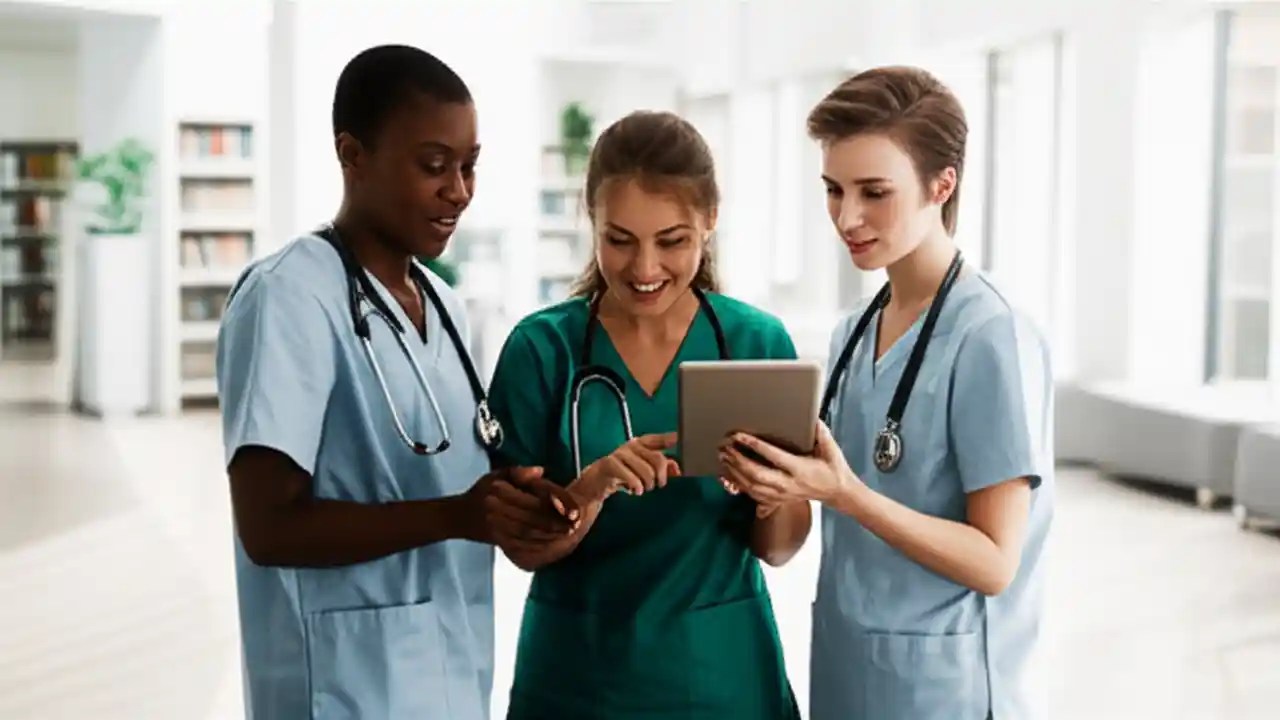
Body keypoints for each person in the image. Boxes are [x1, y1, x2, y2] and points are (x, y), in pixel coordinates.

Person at [215, 45, 577, 720]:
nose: (458, 191)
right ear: (352, 155)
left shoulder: (445, 307)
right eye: (434, 166)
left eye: (469, 166)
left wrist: (517, 502)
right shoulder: (289, 295)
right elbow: (268, 527)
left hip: (450, 673)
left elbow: (451, 480)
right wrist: (456, 516)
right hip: (341, 685)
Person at [720, 66, 1054, 720]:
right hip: (847, 666)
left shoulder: (990, 335)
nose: (848, 217)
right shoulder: (852, 331)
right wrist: (774, 484)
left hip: (946, 688)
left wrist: (845, 493)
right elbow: (805, 528)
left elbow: (994, 562)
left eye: (875, 192)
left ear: (941, 185)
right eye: (834, 190)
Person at [484, 110, 811, 719]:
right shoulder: (542, 349)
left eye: (672, 241)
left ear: (710, 220)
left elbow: (780, 548)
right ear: (591, 221)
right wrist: (593, 486)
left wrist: (770, 496)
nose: (644, 269)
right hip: (580, 682)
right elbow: (524, 549)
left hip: (723, 679)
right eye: (620, 240)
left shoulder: (754, 344)